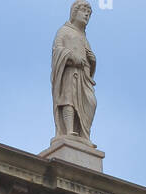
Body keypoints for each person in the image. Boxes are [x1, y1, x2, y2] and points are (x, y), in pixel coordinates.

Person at [51, 3, 97, 142]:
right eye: (84, 11)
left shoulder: (83, 37)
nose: (87, 15)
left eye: (89, 13)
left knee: (90, 102)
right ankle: (69, 131)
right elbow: (57, 49)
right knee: (68, 99)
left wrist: (92, 60)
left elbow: (88, 57)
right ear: (74, 13)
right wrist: (71, 57)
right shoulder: (64, 31)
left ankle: (84, 135)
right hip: (70, 72)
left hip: (84, 76)